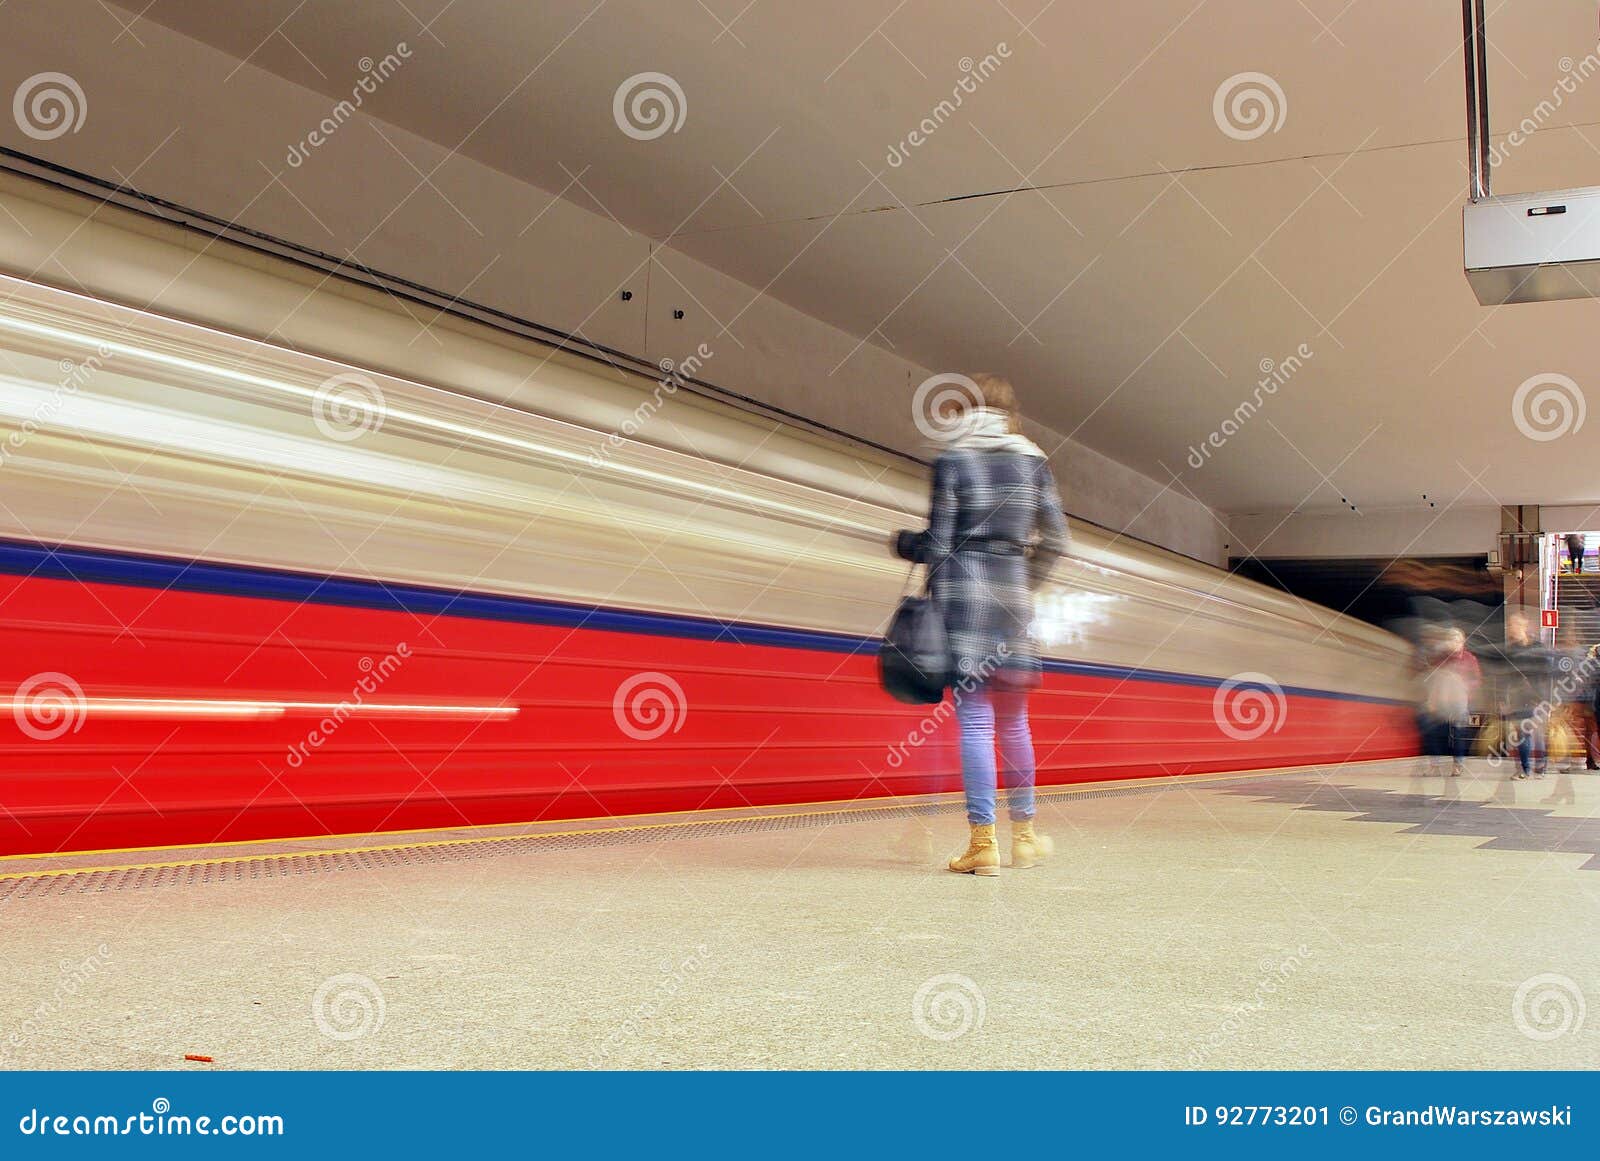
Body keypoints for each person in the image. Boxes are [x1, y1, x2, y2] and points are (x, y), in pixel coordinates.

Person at [923, 373, 1068, 875]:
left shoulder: (953, 459)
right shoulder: (1033, 460)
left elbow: (939, 544)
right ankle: (1024, 838)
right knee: (1015, 722)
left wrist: (930, 588)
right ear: (1009, 413)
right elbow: (1057, 539)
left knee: (976, 722)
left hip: (964, 602)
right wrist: (1025, 580)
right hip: (1013, 601)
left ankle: (982, 844)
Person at [1491, 613, 1555, 780]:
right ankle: (1525, 769)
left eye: (1516, 624)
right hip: (1518, 697)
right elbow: (1503, 676)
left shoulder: (1537, 647)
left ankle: (1539, 766)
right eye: (1510, 624)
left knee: (1537, 734)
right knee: (1522, 732)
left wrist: (1548, 698)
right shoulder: (1510, 651)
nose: (1512, 628)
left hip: (1537, 697)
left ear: (1524, 626)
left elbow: (1547, 674)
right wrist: (1502, 699)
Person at [1421, 627, 1480, 777]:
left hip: (1459, 702)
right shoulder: (1441, 659)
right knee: (1433, 732)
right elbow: (1434, 680)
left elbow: (1476, 680)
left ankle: (1457, 765)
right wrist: (1431, 700)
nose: (1453, 642)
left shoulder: (1469, 659)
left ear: (1463, 641)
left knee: (1458, 734)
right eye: (1450, 639)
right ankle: (1434, 766)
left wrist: (1464, 684)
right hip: (1441, 701)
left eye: (1457, 639)